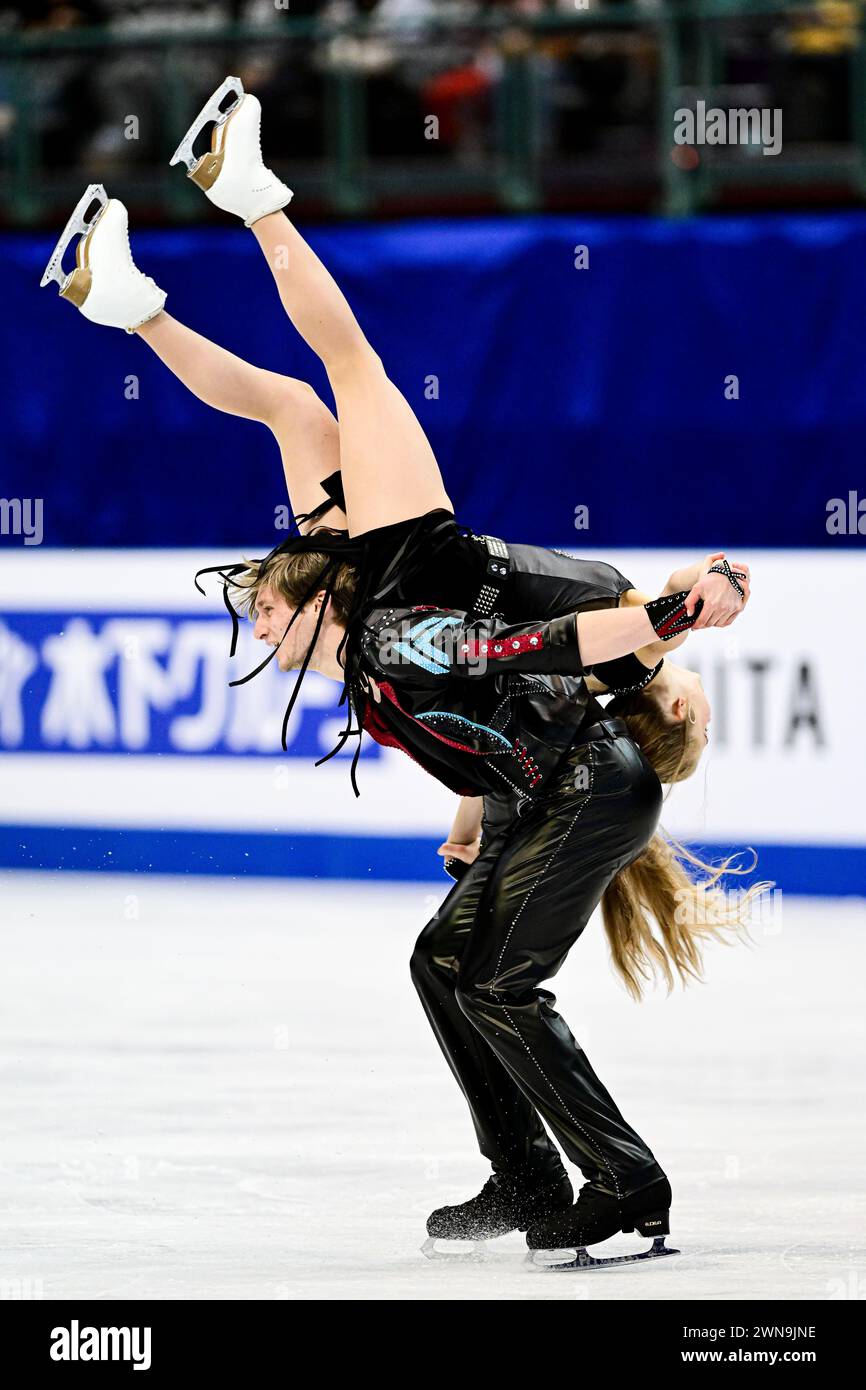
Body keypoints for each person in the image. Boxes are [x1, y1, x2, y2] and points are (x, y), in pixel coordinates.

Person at [41, 77, 769, 1268]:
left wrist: (667, 613)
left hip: (437, 595)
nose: (257, 612)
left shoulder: (380, 645)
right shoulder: (375, 664)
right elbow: (509, 692)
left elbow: (550, 649)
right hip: (447, 619)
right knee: (321, 388)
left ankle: (250, 195)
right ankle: (530, 1179)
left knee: (343, 377)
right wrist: (483, 805)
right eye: (265, 614)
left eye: (264, 608)